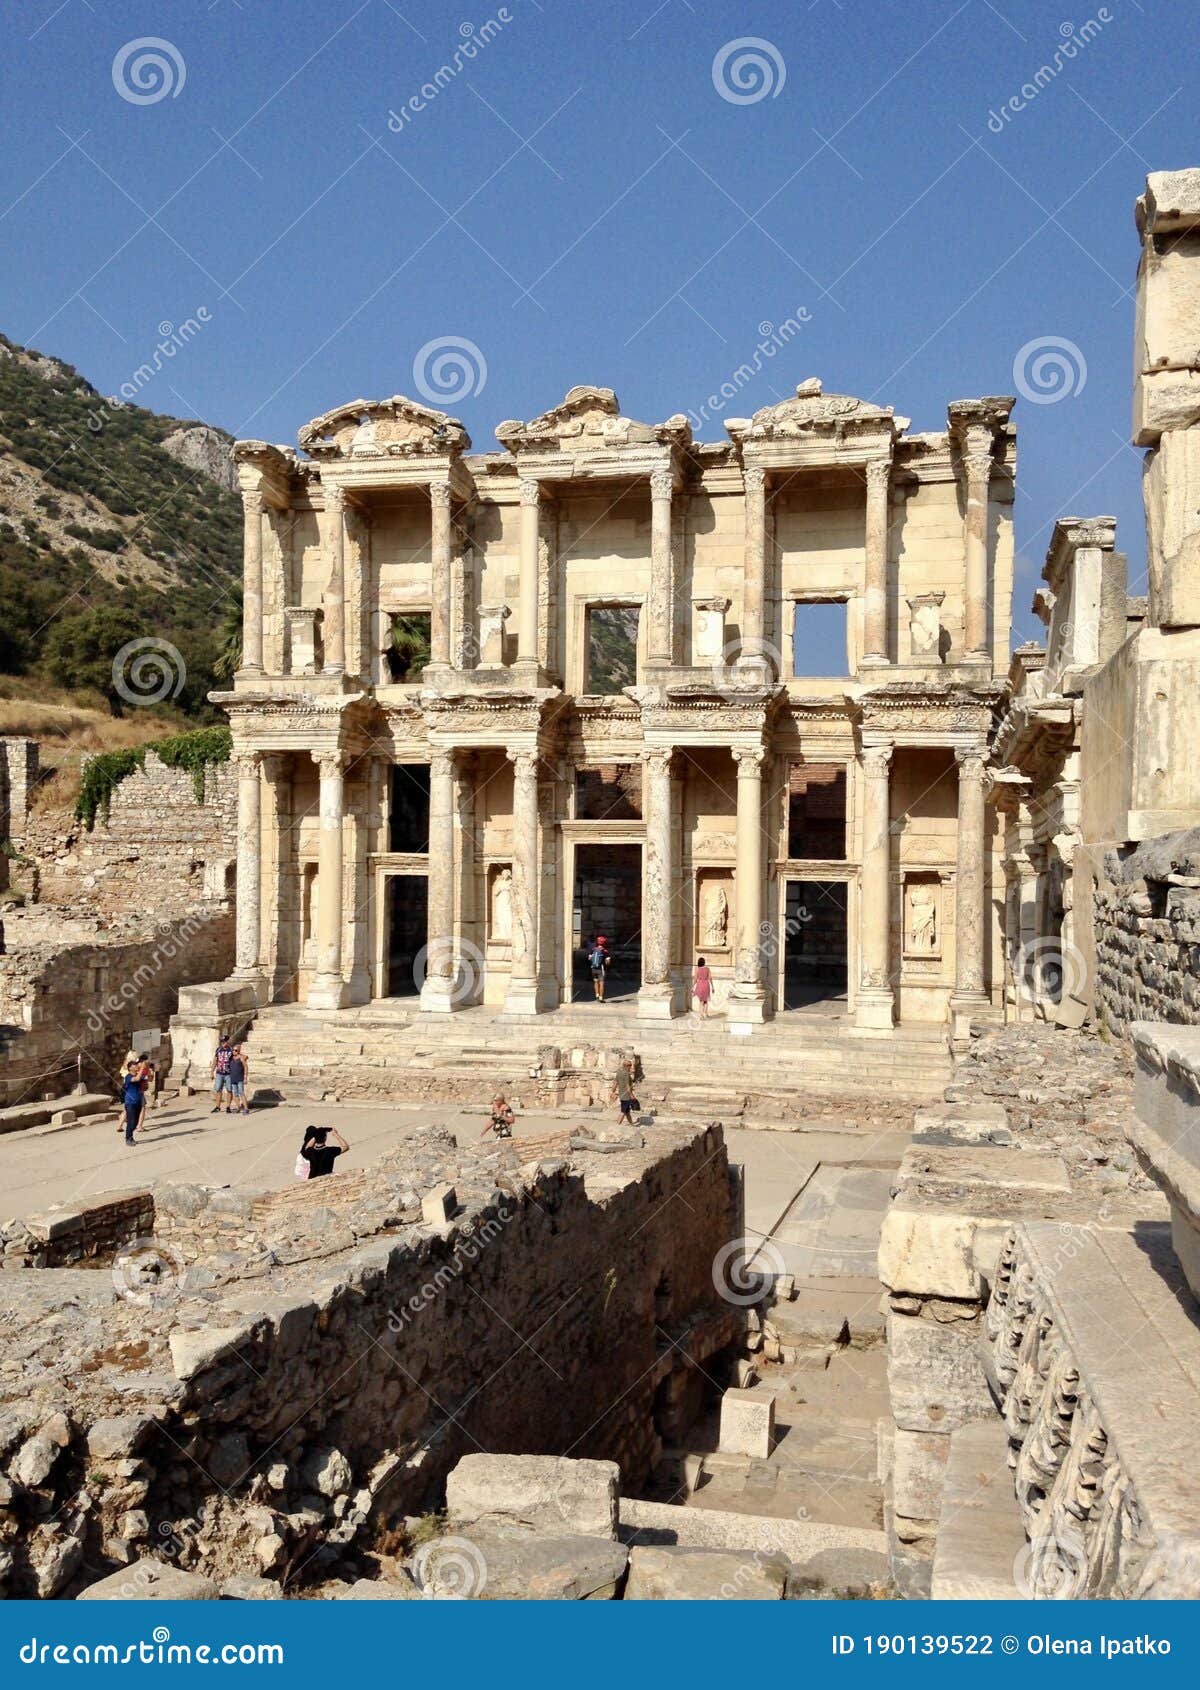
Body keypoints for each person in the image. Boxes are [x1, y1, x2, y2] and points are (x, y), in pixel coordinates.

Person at [120, 1054, 144, 1147]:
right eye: (135, 1065)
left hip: (138, 1101)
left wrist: (150, 1071)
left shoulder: (139, 1076)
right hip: (130, 1102)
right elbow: (137, 1078)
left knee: (135, 1122)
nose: (137, 1066)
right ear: (130, 1068)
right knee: (131, 1121)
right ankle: (128, 1138)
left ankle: (130, 1135)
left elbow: (147, 1080)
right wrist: (142, 1067)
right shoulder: (128, 1077)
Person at [211, 1034, 234, 1114]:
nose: (223, 1043)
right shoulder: (218, 1050)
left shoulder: (231, 1050)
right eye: (222, 1042)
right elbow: (215, 1061)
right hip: (219, 1073)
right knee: (218, 1089)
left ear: (228, 1042)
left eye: (224, 1041)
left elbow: (235, 1061)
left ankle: (228, 1107)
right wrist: (212, 1072)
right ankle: (217, 1107)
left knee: (229, 1090)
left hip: (229, 1073)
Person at [613, 1057, 639, 1126]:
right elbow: (628, 1087)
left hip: (621, 1094)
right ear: (626, 1066)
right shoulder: (627, 1074)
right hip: (626, 1096)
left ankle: (631, 1124)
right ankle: (617, 1126)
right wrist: (632, 1096)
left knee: (627, 1112)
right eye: (630, 1065)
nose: (631, 1067)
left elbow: (615, 1082)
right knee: (623, 1112)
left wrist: (612, 1091)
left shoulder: (619, 1072)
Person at [227, 1044, 250, 1116]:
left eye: (236, 1050)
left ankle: (246, 1108)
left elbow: (246, 1067)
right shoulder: (230, 1057)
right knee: (235, 1093)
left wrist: (245, 1077)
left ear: (239, 1051)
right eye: (233, 1050)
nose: (234, 1051)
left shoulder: (241, 1057)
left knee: (241, 1092)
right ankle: (238, 1107)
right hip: (233, 1078)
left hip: (240, 1078)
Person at [588, 934, 611, 1002]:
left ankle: (597, 995)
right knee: (601, 983)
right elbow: (608, 962)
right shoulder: (605, 951)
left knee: (595, 982)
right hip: (600, 969)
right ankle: (601, 997)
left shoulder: (593, 949)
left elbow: (589, 958)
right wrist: (607, 962)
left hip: (593, 968)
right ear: (604, 943)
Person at [693, 956, 713, 1020]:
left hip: (700, 985)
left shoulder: (697, 969)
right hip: (706, 985)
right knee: (706, 1001)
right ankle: (706, 1013)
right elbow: (710, 978)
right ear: (704, 962)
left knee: (701, 1001)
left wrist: (692, 986)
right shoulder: (707, 969)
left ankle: (701, 1016)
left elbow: (695, 979)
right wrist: (712, 987)